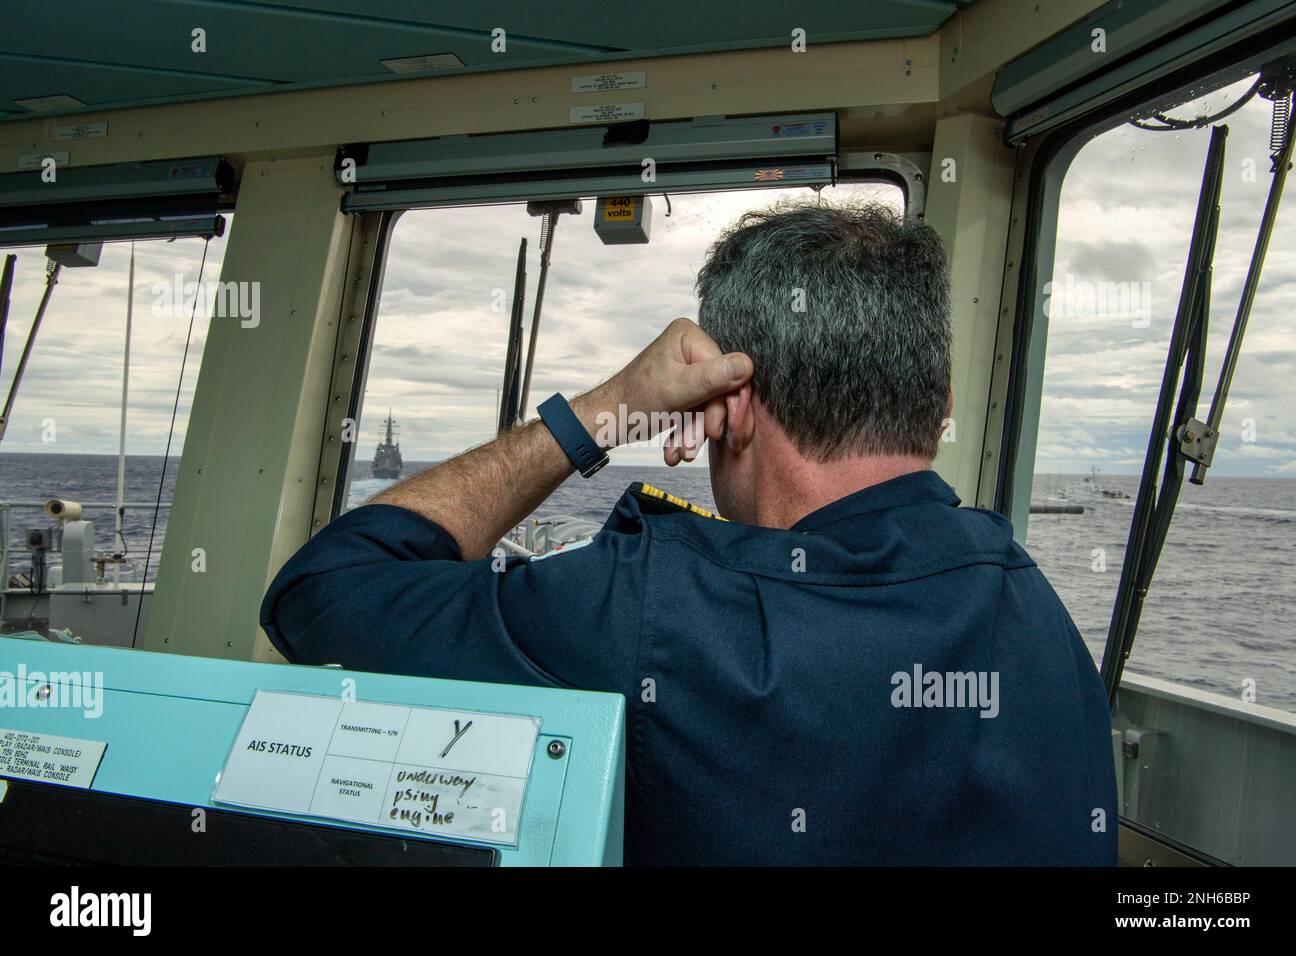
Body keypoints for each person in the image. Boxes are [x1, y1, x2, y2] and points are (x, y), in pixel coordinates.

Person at [260, 200, 1117, 866]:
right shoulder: (1040, 614)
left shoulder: (655, 611)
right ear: (942, 405)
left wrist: (601, 409)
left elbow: (322, 592)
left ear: (730, 405)